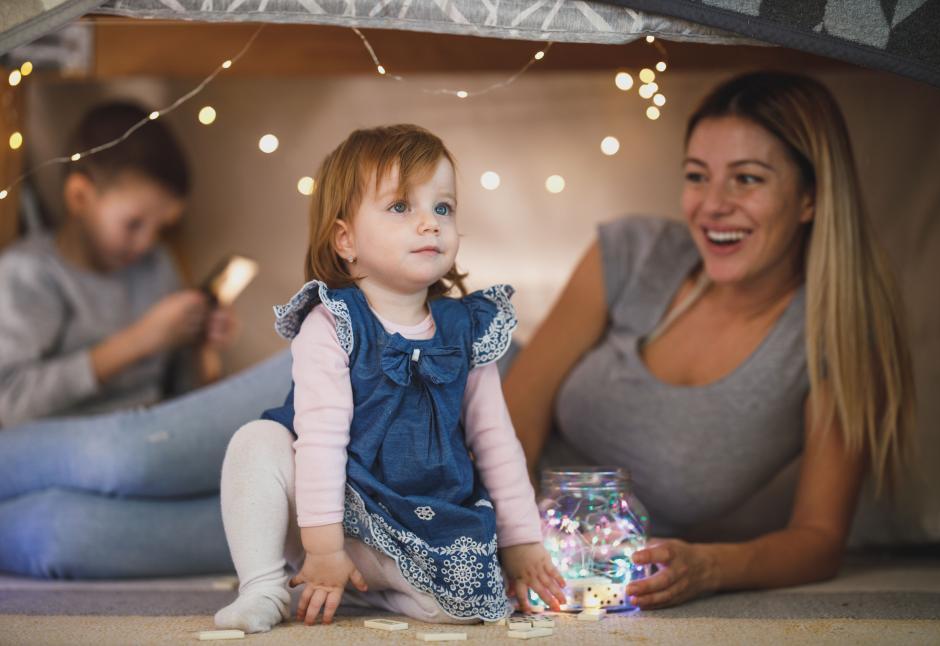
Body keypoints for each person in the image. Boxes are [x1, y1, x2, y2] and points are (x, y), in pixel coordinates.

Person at [503, 71, 915, 609]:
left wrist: (710, 566)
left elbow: (819, 539)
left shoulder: (836, 341)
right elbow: (515, 419)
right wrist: (509, 543)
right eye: (698, 176)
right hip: (483, 478)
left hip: (594, 565)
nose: (712, 205)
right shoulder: (631, 252)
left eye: (747, 179)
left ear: (810, 197)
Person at [213, 124, 565, 634]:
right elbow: (321, 440)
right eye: (401, 207)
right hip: (327, 506)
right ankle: (265, 585)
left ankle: (372, 590)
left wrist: (522, 541)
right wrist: (324, 547)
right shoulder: (332, 322)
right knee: (256, 442)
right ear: (345, 239)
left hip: (421, 512)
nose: (430, 224)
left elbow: (495, 442)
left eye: (442, 208)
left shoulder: (465, 329)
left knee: (464, 607)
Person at [0, 101, 272, 578]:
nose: (147, 243)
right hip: (82, 451)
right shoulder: (29, 275)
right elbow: (9, 404)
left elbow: (180, 399)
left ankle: (271, 529)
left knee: (228, 472)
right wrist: (139, 342)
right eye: (134, 224)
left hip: (148, 449)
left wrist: (198, 345)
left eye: (160, 228)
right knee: (107, 478)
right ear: (81, 197)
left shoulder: (156, 268)